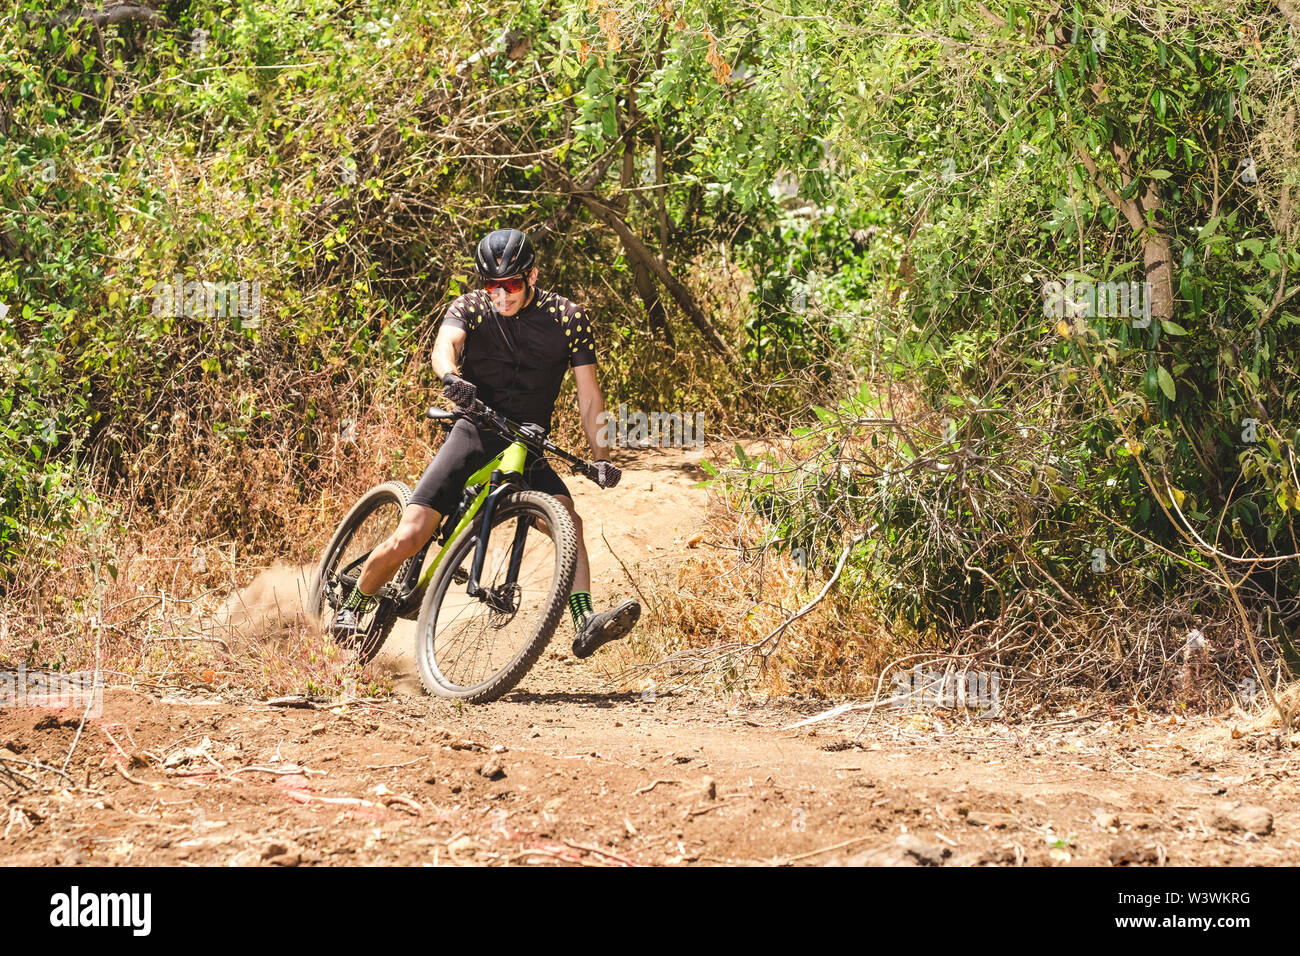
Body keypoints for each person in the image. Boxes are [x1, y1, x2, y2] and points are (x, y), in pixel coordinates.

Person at [330, 227, 641, 659]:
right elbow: (445, 346)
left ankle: (584, 618)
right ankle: (355, 600)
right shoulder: (471, 307)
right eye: (492, 285)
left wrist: (601, 456)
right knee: (412, 535)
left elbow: (589, 395)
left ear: (532, 276)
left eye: (511, 284)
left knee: (567, 520)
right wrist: (450, 377)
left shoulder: (568, 318)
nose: (501, 295)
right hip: (475, 429)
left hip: (527, 439)